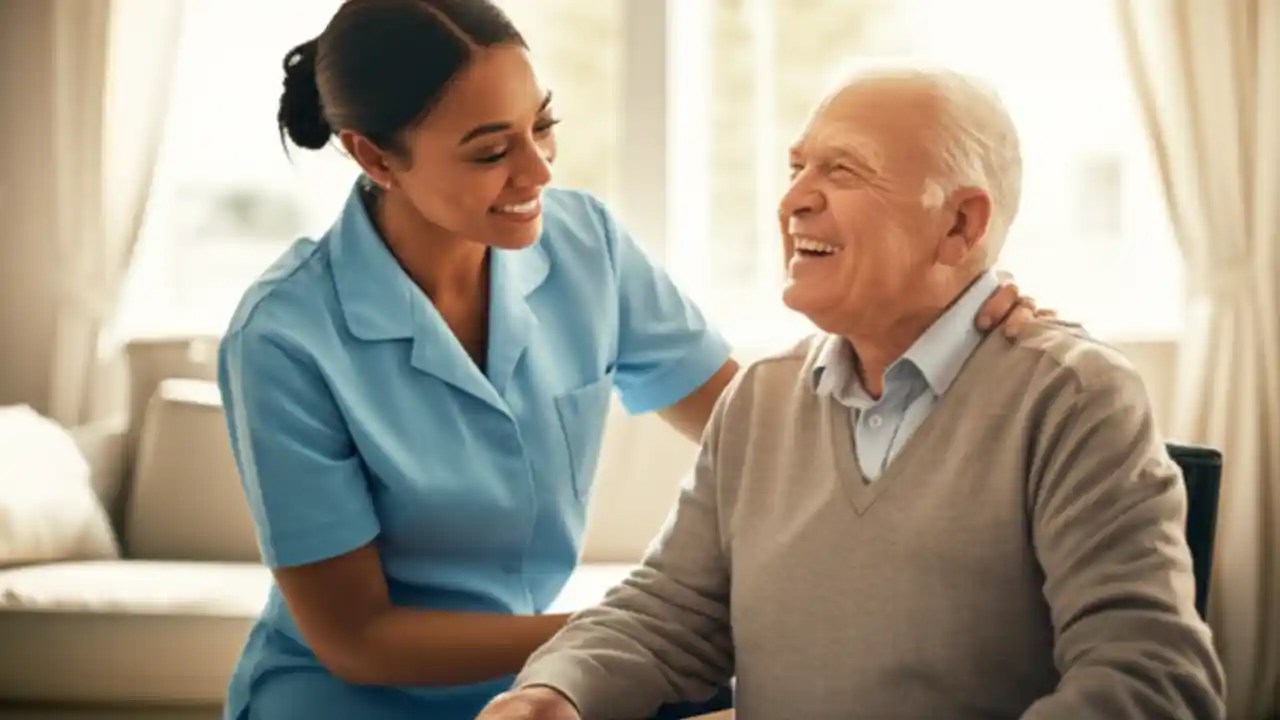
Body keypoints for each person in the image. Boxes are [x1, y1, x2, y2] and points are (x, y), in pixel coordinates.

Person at [217, 2, 1046, 718]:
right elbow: (360, 639)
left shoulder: (584, 246)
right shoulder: (285, 335)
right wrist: (636, 637)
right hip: (350, 706)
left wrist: (955, 307)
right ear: (373, 158)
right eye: (488, 150)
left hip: (543, 687)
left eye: (543, 125)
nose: (538, 169)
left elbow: (771, 434)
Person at [477, 65, 1227, 720]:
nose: (793, 200)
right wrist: (554, 693)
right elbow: (671, 612)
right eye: (797, 168)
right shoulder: (760, 399)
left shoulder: (1072, 398)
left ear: (960, 224)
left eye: (843, 171)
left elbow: (1150, 680)